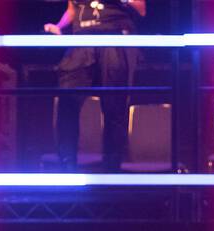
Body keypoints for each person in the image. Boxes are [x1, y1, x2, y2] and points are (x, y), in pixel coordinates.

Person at [45, 1, 147, 171]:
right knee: (67, 100)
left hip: (115, 37)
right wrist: (58, 26)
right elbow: (72, 9)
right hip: (82, 39)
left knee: (114, 105)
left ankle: (111, 168)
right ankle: (67, 164)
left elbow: (141, 9)